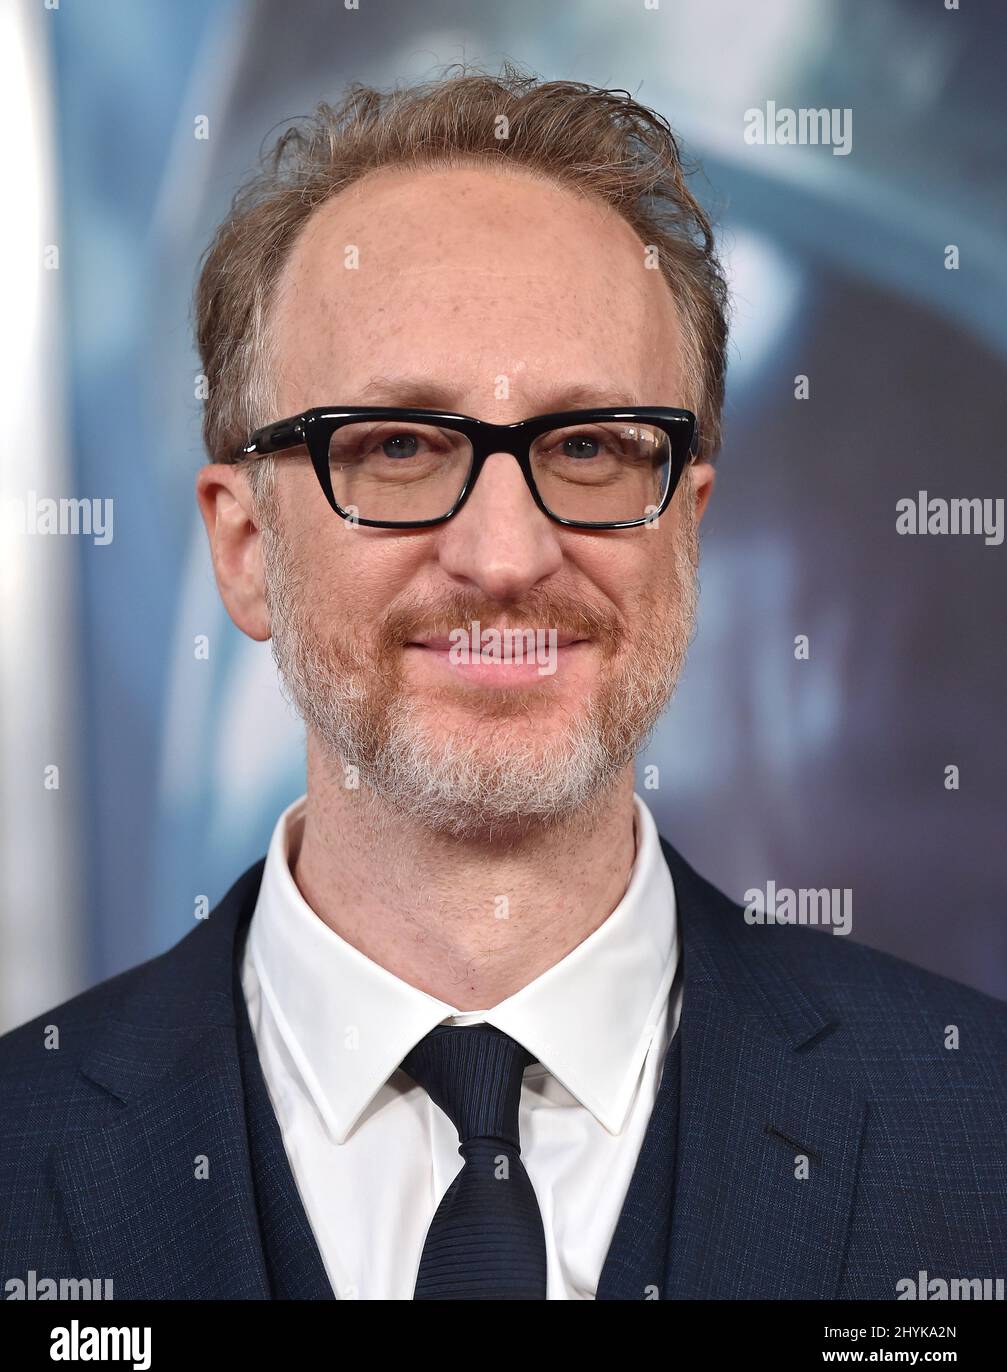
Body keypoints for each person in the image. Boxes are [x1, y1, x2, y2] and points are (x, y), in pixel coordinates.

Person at [2, 67, 1005, 1302]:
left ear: (681, 529)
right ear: (244, 548)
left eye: (585, 446)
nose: (504, 554)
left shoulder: (981, 1141)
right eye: (399, 446)